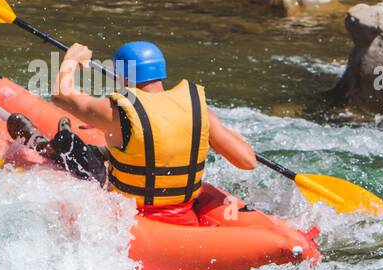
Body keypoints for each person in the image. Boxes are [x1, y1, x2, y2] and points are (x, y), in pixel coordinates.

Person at [40, 40, 256, 227]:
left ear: (123, 77)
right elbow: (248, 161)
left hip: (133, 217)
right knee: (106, 151)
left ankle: (46, 145)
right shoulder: (200, 111)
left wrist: (71, 60)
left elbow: (61, 95)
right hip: (185, 215)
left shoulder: (117, 112)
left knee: (71, 146)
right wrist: (230, 134)